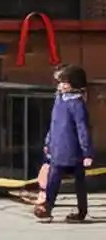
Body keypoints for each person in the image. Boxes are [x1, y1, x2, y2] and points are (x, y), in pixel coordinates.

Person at [34, 64, 94, 223]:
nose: (60, 86)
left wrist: (87, 152)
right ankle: (47, 207)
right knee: (53, 178)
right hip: (57, 148)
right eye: (59, 82)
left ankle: (82, 210)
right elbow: (54, 124)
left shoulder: (77, 104)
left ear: (75, 83)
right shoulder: (59, 99)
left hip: (73, 150)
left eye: (64, 82)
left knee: (79, 182)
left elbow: (83, 129)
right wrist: (48, 141)